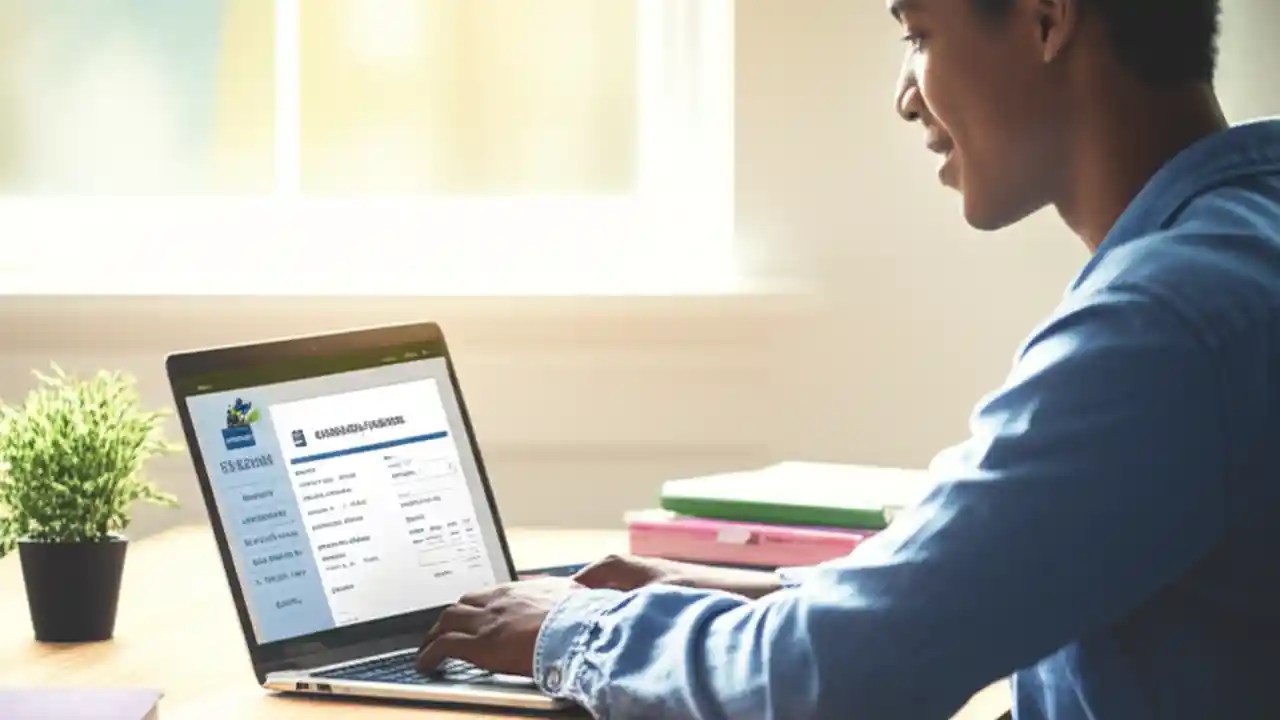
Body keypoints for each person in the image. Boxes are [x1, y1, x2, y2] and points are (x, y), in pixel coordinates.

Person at [417, 0, 1280, 716]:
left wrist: (572, 631)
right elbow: (996, 576)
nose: (907, 97)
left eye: (919, 34)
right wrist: (756, 596)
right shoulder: (1242, 244)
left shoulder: (1160, 326)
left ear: (1048, 17)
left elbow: (833, 679)